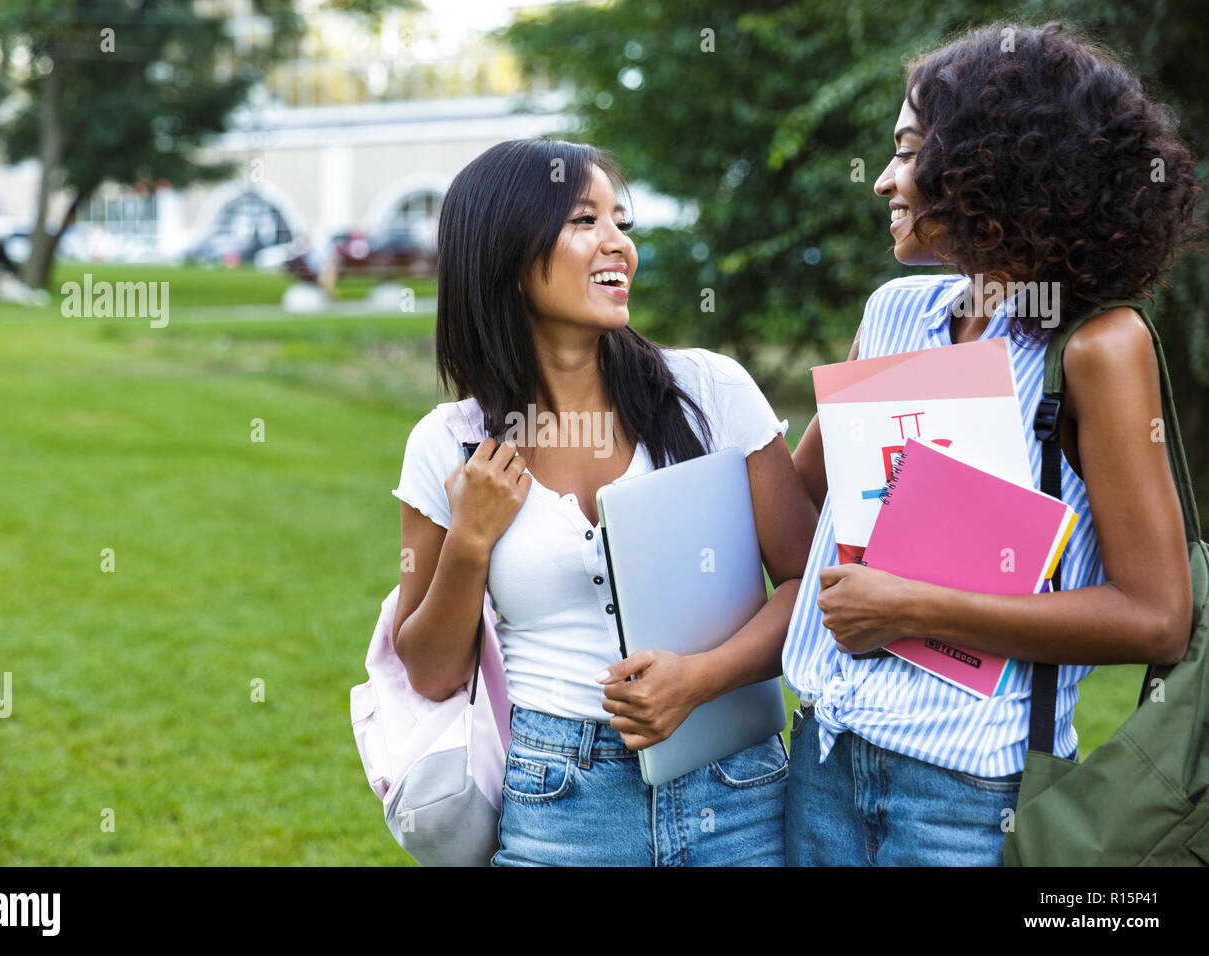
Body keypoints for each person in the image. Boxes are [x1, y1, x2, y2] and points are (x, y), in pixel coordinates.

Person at [783, 21, 1200, 866]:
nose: (886, 182)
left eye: (907, 152)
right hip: (821, 765)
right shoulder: (896, 313)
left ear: (991, 166)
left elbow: (1156, 618)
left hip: (967, 801)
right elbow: (796, 513)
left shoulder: (1093, 347)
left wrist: (910, 607)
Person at [390, 138, 818, 866]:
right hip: (561, 802)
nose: (619, 243)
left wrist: (700, 678)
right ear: (506, 253)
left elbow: (811, 589)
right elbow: (429, 672)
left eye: (622, 222)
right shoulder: (449, 444)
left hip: (737, 790)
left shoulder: (709, 394)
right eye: (585, 220)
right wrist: (469, 540)